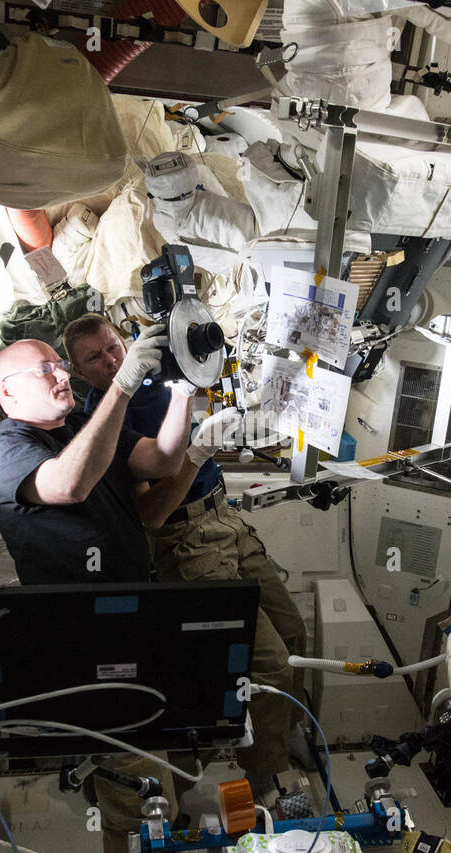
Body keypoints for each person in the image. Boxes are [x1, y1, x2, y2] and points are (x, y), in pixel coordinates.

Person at [63, 314, 308, 805]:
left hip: (226, 518)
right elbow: (151, 514)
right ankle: (264, 779)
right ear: (79, 372)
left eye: (114, 347)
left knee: (295, 634)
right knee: (271, 665)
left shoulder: (158, 377)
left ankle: (283, 733)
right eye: (96, 358)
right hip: (185, 539)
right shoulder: (107, 422)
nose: (112, 361)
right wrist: (197, 452)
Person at [0, 334, 192, 853]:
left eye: (59, 365)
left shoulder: (81, 425)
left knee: (154, 767)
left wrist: (187, 393)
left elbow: (161, 460)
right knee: (143, 796)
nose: (62, 375)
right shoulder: (5, 451)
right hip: (82, 639)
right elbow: (70, 484)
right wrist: (121, 387)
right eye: (45, 369)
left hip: (131, 617)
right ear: (7, 392)